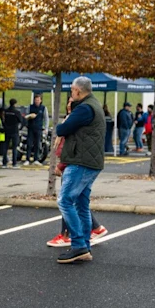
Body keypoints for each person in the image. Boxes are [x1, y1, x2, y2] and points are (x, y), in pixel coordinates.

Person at [54, 77, 105, 264]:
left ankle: (78, 245)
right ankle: (84, 246)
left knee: (65, 200)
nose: (71, 94)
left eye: (72, 91)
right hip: (91, 162)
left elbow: (62, 128)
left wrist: (68, 115)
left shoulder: (84, 108)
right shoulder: (93, 104)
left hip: (80, 161)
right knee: (82, 205)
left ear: (77, 91)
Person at [25, 94, 46, 165]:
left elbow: (46, 118)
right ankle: (27, 159)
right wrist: (30, 116)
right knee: (29, 144)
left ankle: (36, 159)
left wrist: (46, 128)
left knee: (37, 144)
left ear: (41, 100)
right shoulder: (30, 107)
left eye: (38, 100)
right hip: (30, 128)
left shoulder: (43, 108)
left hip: (39, 128)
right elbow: (25, 116)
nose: (37, 101)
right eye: (36, 100)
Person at [4, 98, 23, 167]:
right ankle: (14, 163)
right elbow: (21, 120)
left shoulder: (6, 111)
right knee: (14, 147)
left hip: (7, 130)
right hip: (14, 131)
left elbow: (4, 120)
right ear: (15, 104)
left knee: (5, 147)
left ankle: (4, 163)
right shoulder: (16, 112)